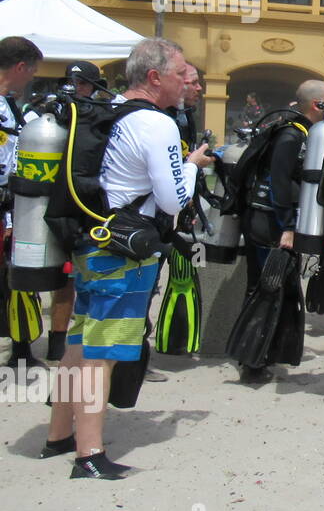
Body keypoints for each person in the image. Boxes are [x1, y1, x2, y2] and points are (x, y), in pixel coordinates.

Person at [45, 38, 214, 478]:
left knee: (79, 342)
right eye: (181, 74)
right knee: (103, 351)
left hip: (90, 239)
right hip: (122, 250)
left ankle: (57, 435)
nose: (185, 83)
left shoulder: (112, 110)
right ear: (155, 78)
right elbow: (174, 200)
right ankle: (89, 456)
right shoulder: (157, 125)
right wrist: (193, 165)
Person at [237, 81, 324, 382]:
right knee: (265, 288)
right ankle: (251, 363)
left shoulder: (303, 132)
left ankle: (264, 355)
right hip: (269, 223)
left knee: (276, 287)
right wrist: (288, 227)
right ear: (317, 105)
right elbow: (279, 184)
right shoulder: (292, 134)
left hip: (273, 221)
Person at [45, 62, 111, 363]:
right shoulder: (51, 113)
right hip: (52, 203)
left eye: (83, 83)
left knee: (76, 277)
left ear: (96, 86)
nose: (76, 88)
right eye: (72, 82)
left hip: (83, 207)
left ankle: (73, 344)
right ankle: (55, 343)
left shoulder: (104, 117)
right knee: (58, 276)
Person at [0, 37, 43, 369]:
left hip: (11, 205)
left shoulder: (14, 107)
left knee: (19, 275)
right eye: (31, 71)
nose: (31, 78)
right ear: (20, 67)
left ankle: (21, 349)